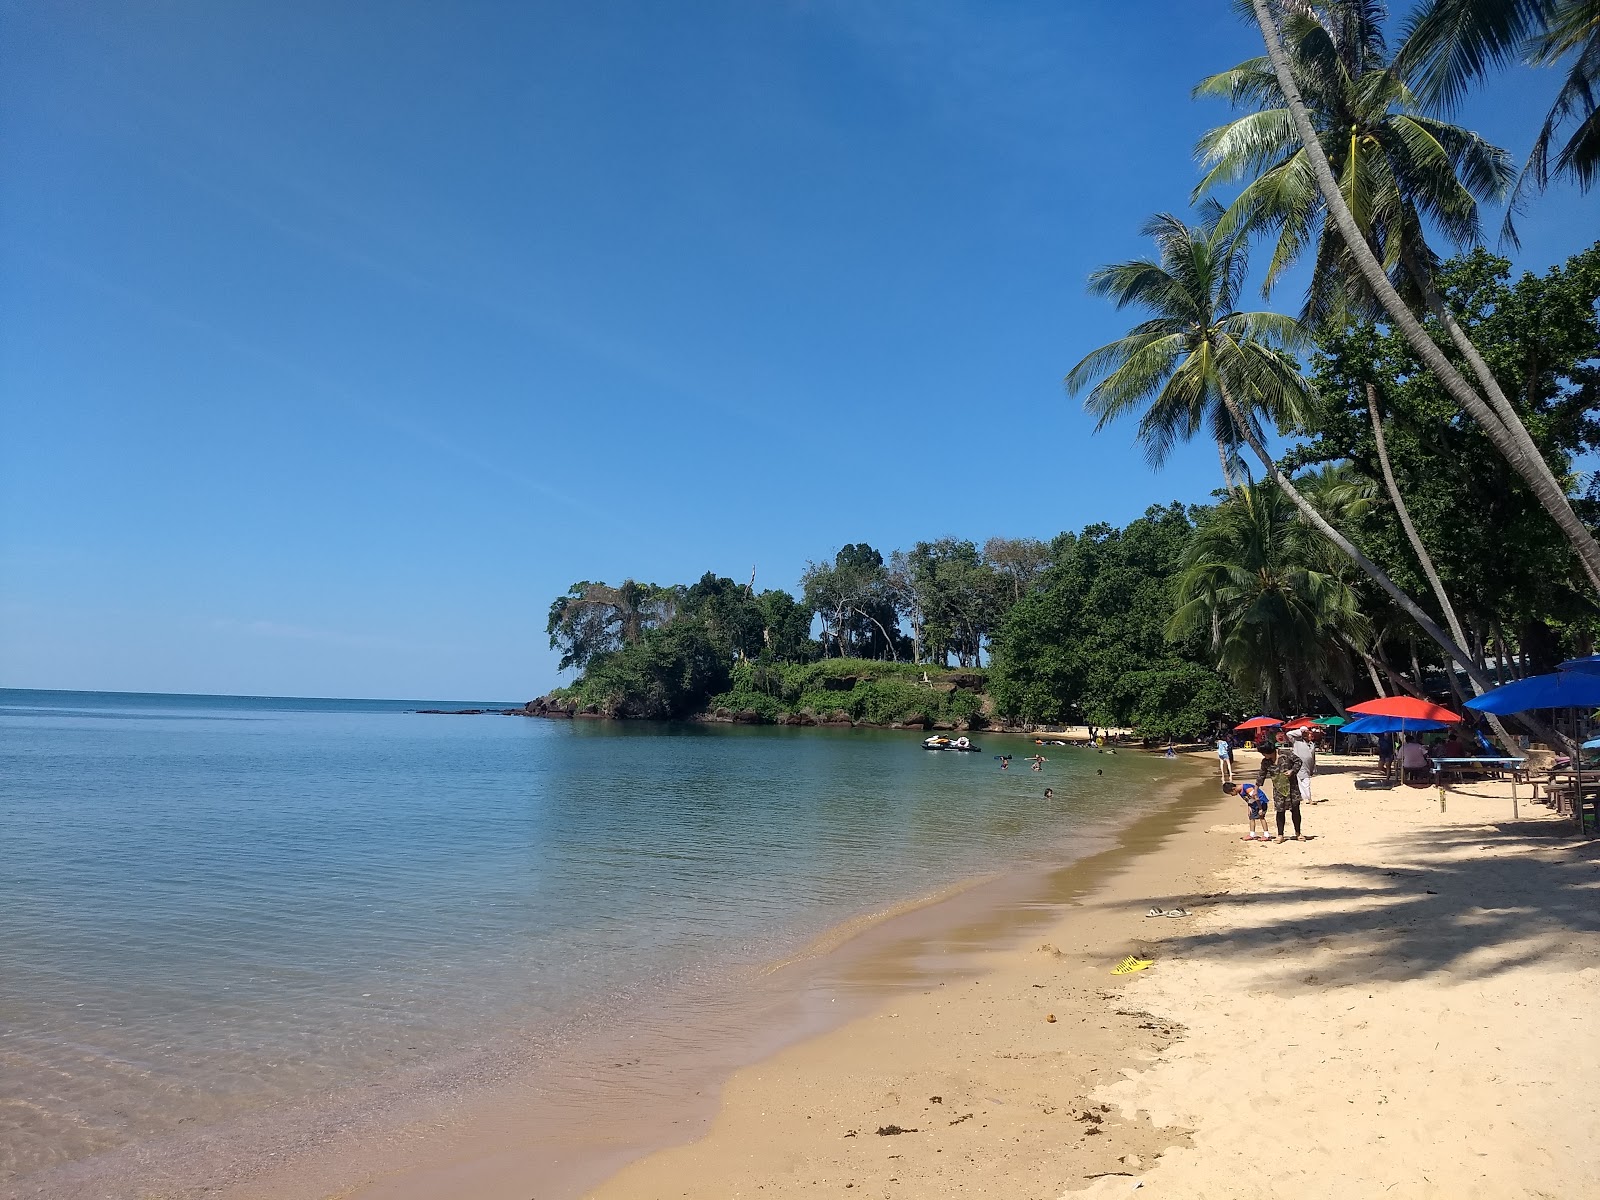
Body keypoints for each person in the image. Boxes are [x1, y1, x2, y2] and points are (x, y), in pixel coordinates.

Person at [1269, 746, 1304, 842]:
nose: (1264, 756)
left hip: (1292, 788)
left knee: (1295, 810)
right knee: (1280, 811)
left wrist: (1292, 771)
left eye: (1265, 753)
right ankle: (1280, 835)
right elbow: (1261, 774)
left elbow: (1299, 761)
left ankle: (1298, 833)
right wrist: (1255, 789)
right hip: (1278, 790)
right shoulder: (1266, 761)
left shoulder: (1286, 753)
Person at [1287, 727, 1316, 808]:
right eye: (1308, 734)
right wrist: (1301, 731)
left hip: (1307, 767)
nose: (1310, 736)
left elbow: (1313, 758)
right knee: (1305, 782)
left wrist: (1313, 768)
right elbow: (1288, 734)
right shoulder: (1297, 742)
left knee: (1302, 782)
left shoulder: (1312, 745)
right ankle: (1309, 799)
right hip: (1298, 766)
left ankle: (1305, 798)